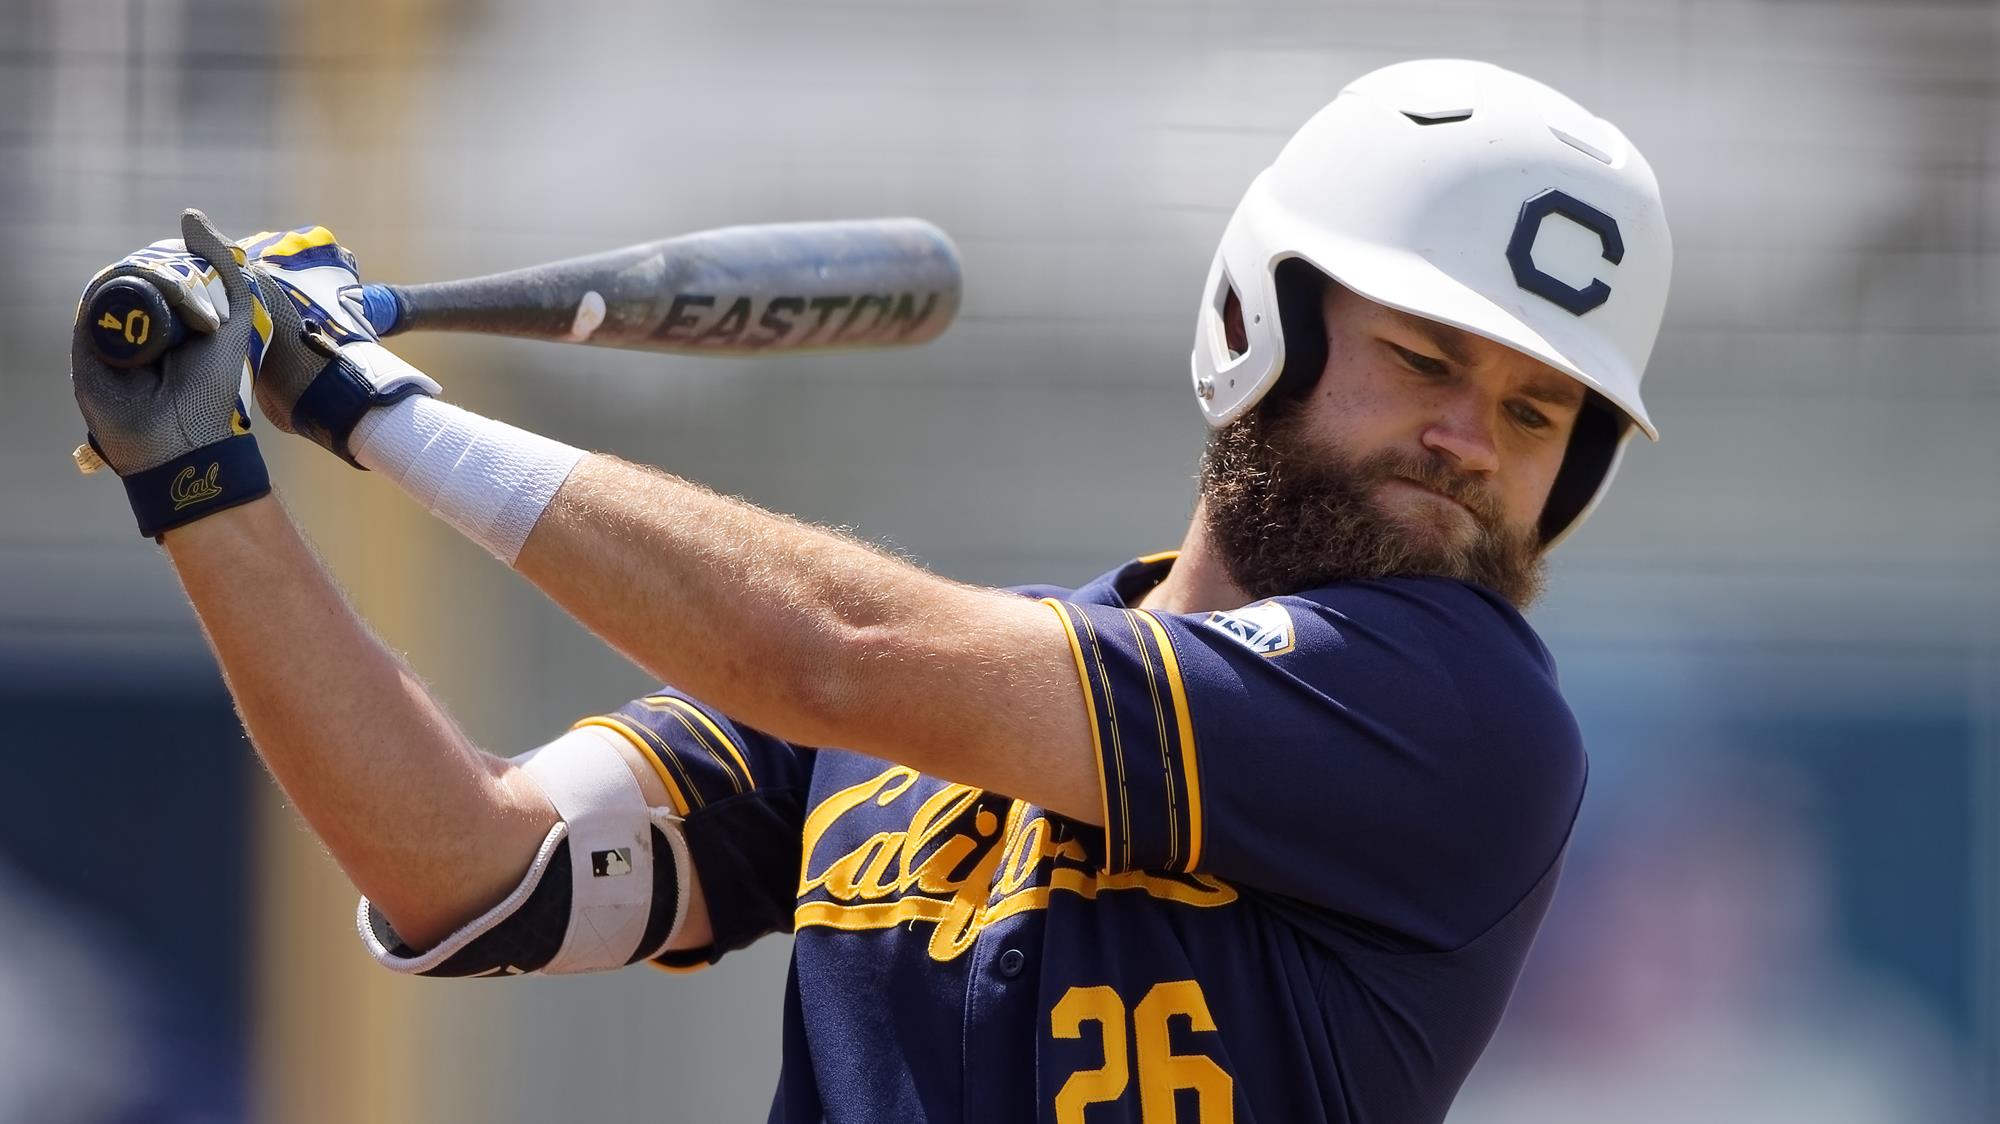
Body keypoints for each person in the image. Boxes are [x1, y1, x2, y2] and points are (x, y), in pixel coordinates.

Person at [67, 58, 1671, 1124]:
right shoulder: (931, 701)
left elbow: (829, 650)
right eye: (1424, 360)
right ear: (1264, 321)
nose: (1471, 442)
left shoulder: (1456, 717)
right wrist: (199, 480)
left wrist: (373, 405)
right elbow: (469, 868)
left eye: (1537, 413)